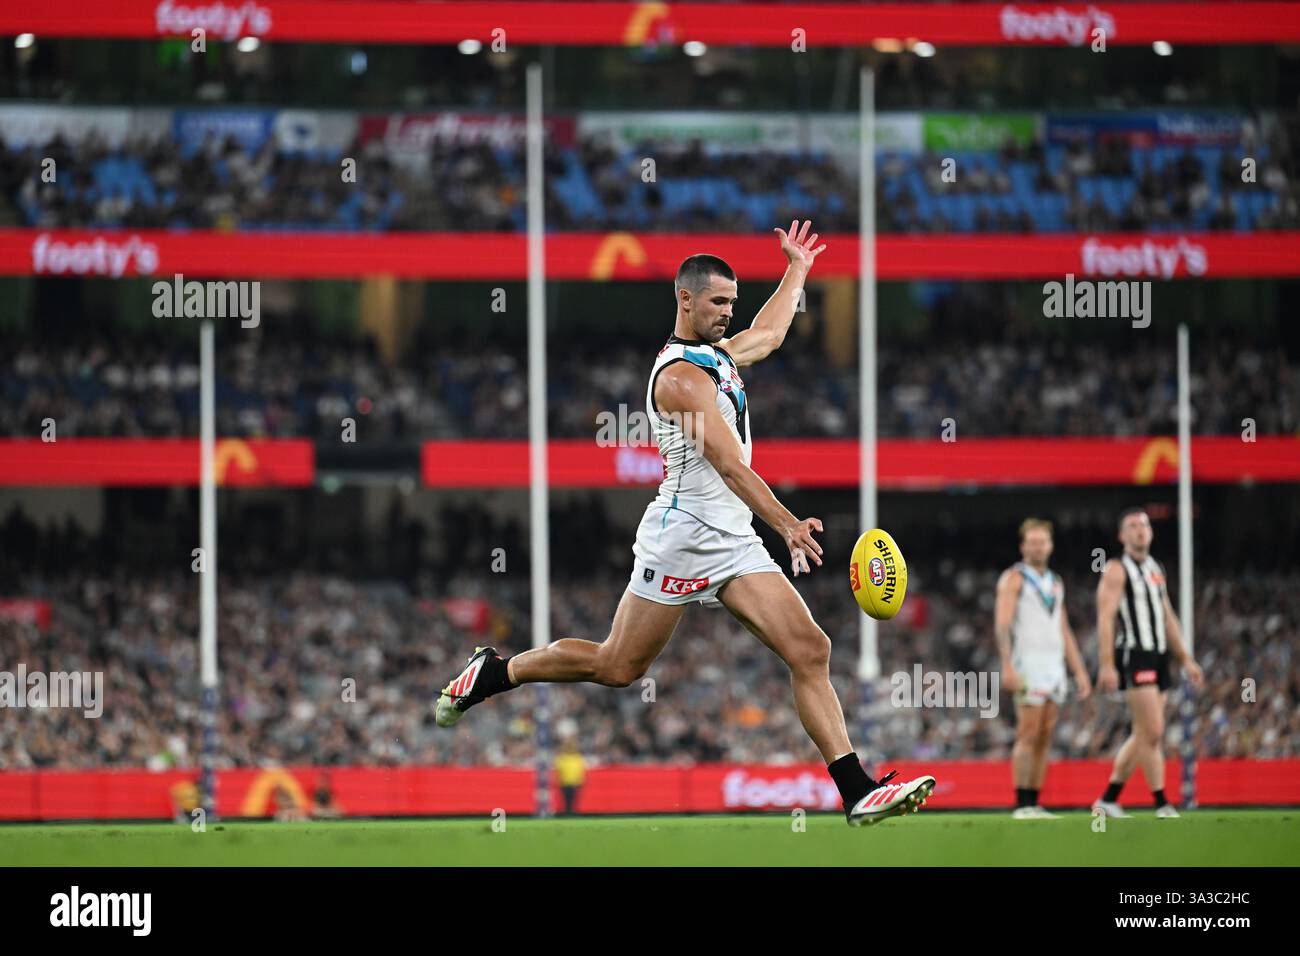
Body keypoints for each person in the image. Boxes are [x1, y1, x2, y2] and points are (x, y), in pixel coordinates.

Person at [435, 220, 935, 826]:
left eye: (732, 301)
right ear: (685, 299)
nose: (728, 311)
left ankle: (855, 791)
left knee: (811, 649)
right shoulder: (678, 378)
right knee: (617, 667)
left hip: (732, 539)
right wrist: (787, 524)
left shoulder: (717, 357)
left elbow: (770, 333)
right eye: (718, 301)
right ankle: (494, 673)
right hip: (682, 536)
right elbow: (727, 463)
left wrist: (798, 268)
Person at [1092, 507, 1204, 818]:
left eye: (1144, 525)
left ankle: (1108, 798)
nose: (1140, 530)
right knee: (1153, 730)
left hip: (1159, 656)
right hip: (1135, 653)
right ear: (1122, 535)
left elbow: (1167, 615)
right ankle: (1161, 802)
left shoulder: (1156, 568)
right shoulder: (1116, 569)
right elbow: (1105, 618)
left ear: (1151, 532)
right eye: (1132, 526)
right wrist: (1106, 664)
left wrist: (1185, 658)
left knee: (1144, 733)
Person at [994, 518, 1091, 819]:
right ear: (1024, 546)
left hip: (1054, 664)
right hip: (1028, 663)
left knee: (1046, 734)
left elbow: (1063, 628)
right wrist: (1007, 664)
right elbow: (1003, 624)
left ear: (1050, 545)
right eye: (1032, 542)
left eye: (1042, 542)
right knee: (1028, 732)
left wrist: (1080, 671)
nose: (1037, 547)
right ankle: (1021, 803)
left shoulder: (1055, 582)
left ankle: (1035, 801)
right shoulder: (1014, 578)